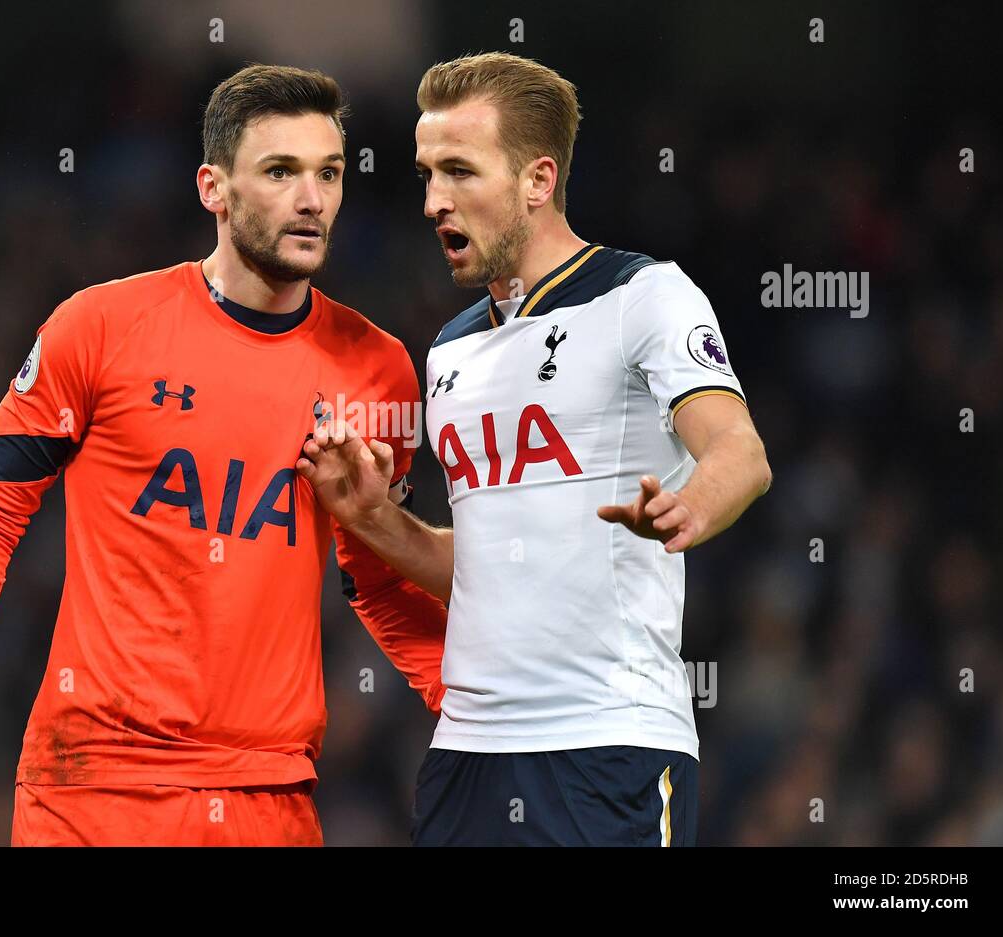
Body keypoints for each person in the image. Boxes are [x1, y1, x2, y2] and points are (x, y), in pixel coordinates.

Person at [0, 64, 447, 846]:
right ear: (212, 188)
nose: (312, 199)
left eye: (328, 173)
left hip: (267, 798)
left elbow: (384, 574)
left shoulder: (379, 368)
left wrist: (466, 711)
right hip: (92, 786)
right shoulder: (101, 327)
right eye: (280, 172)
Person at [297, 52, 772, 846]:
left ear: (537, 180)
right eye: (425, 175)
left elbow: (739, 450)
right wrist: (375, 520)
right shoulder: (448, 351)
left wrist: (688, 502)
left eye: (458, 171)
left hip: (607, 744)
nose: (432, 201)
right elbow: (487, 566)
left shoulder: (643, 295)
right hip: (467, 753)